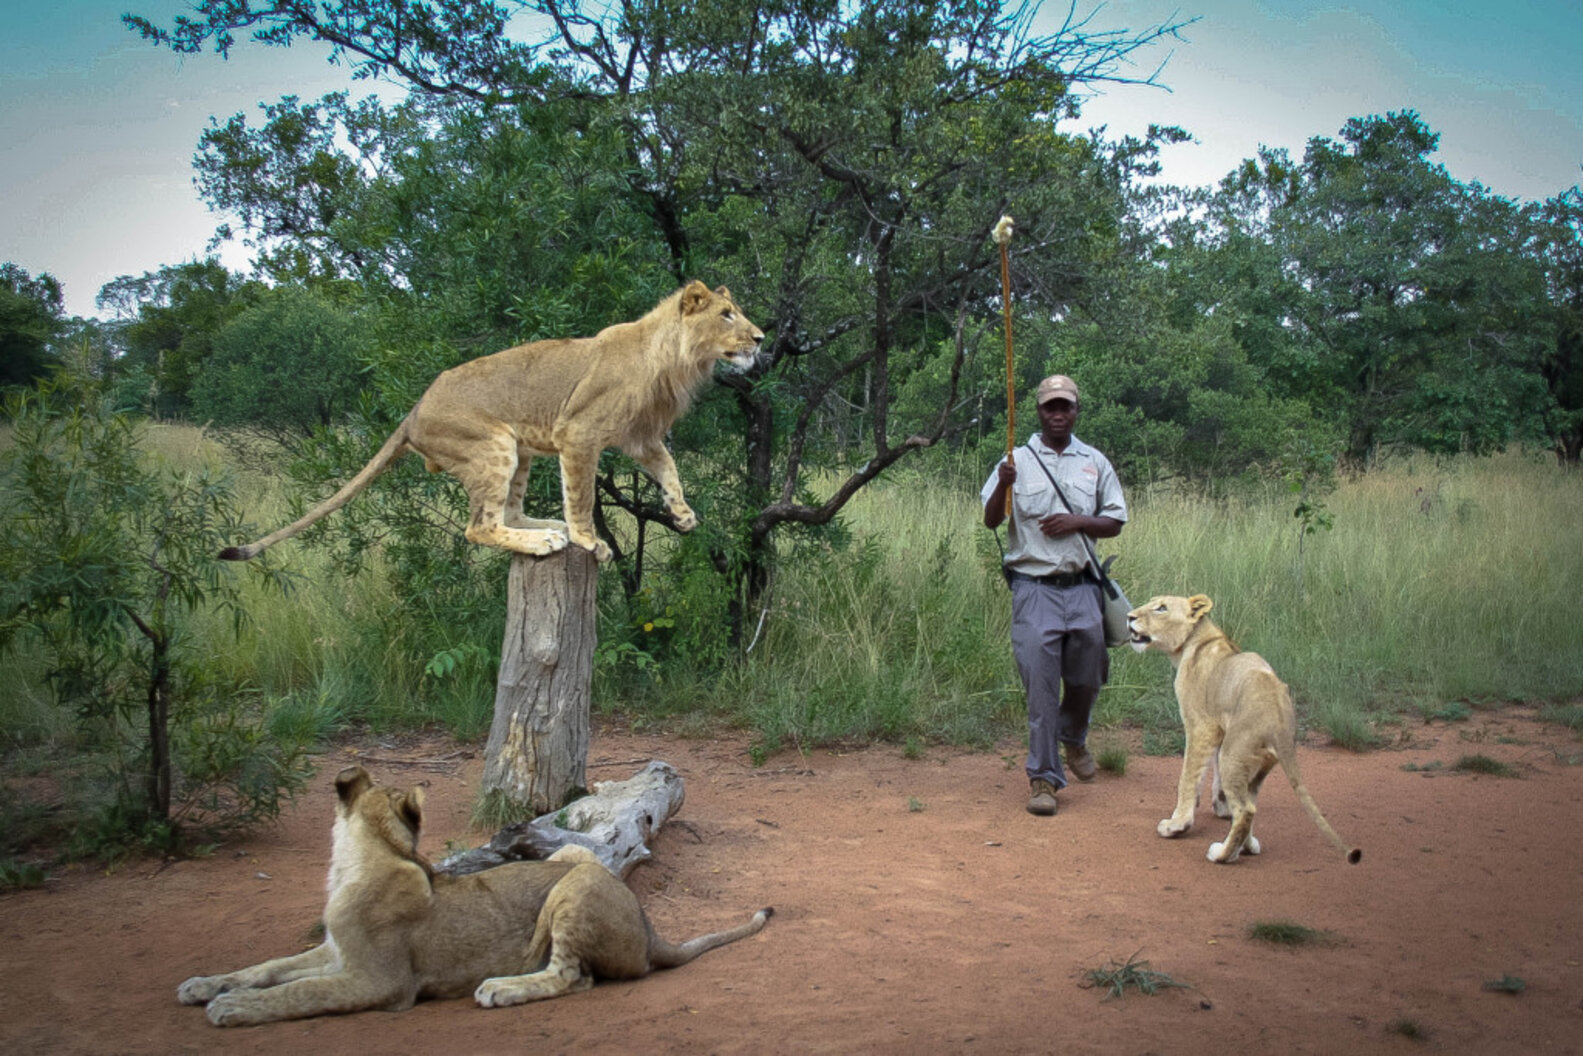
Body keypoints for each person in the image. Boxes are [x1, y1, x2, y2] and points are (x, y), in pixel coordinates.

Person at [982, 374, 1127, 816]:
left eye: (1066, 406)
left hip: (1083, 587)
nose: (1058, 414)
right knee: (1041, 689)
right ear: (1039, 412)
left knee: (1089, 676)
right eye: (1050, 407)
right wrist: (1005, 484)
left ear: (1077, 410)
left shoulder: (1095, 462)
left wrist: (1076, 521)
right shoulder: (1015, 460)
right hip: (1033, 588)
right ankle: (1043, 779)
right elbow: (991, 520)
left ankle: (1073, 738)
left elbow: (1116, 521)